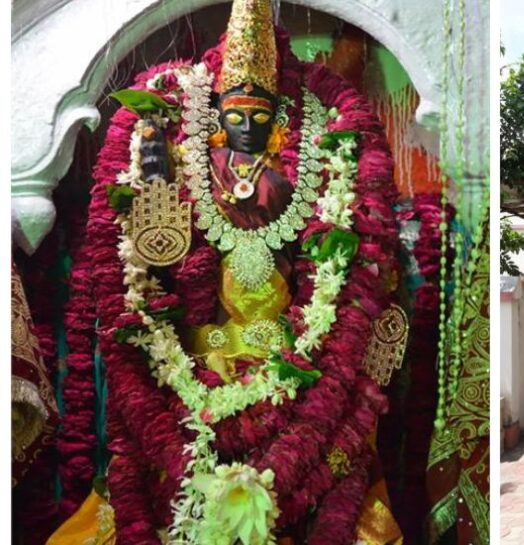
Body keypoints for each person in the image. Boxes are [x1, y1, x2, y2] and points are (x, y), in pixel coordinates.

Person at [50, 0, 407, 542]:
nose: (246, 127)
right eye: (234, 116)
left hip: (291, 367)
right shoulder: (189, 157)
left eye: (259, 117)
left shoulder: (302, 164)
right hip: (193, 362)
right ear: (214, 120)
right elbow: (150, 253)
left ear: (280, 119)